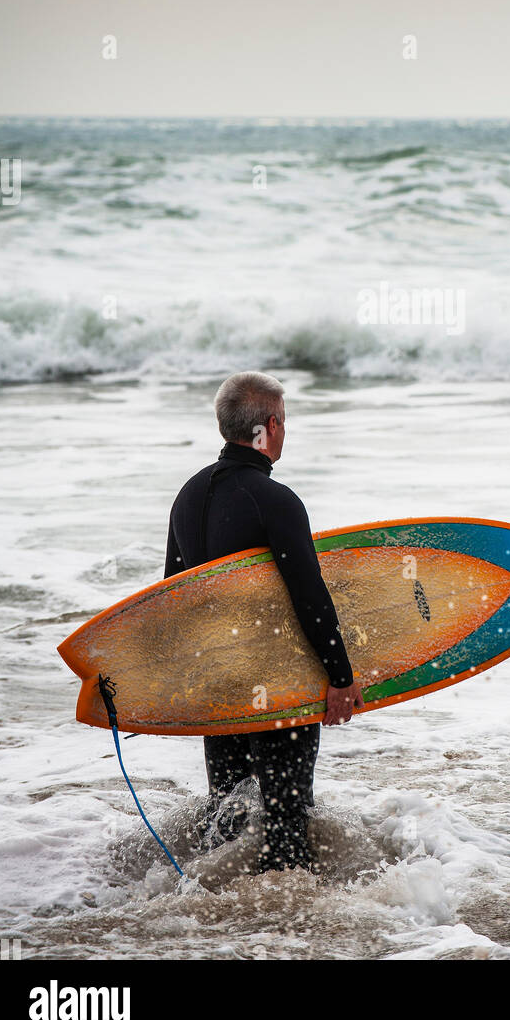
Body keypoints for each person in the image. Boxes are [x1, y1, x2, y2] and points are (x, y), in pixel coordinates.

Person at [163, 371, 363, 872]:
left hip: (219, 684)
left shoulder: (186, 497)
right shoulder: (275, 500)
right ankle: (285, 927)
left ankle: (219, 915)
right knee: (288, 821)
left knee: (226, 816)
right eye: (285, 422)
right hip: (276, 683)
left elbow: (170, 599)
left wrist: (168, 689)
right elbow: (309, 596)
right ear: (270, 426)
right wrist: (340, 677)